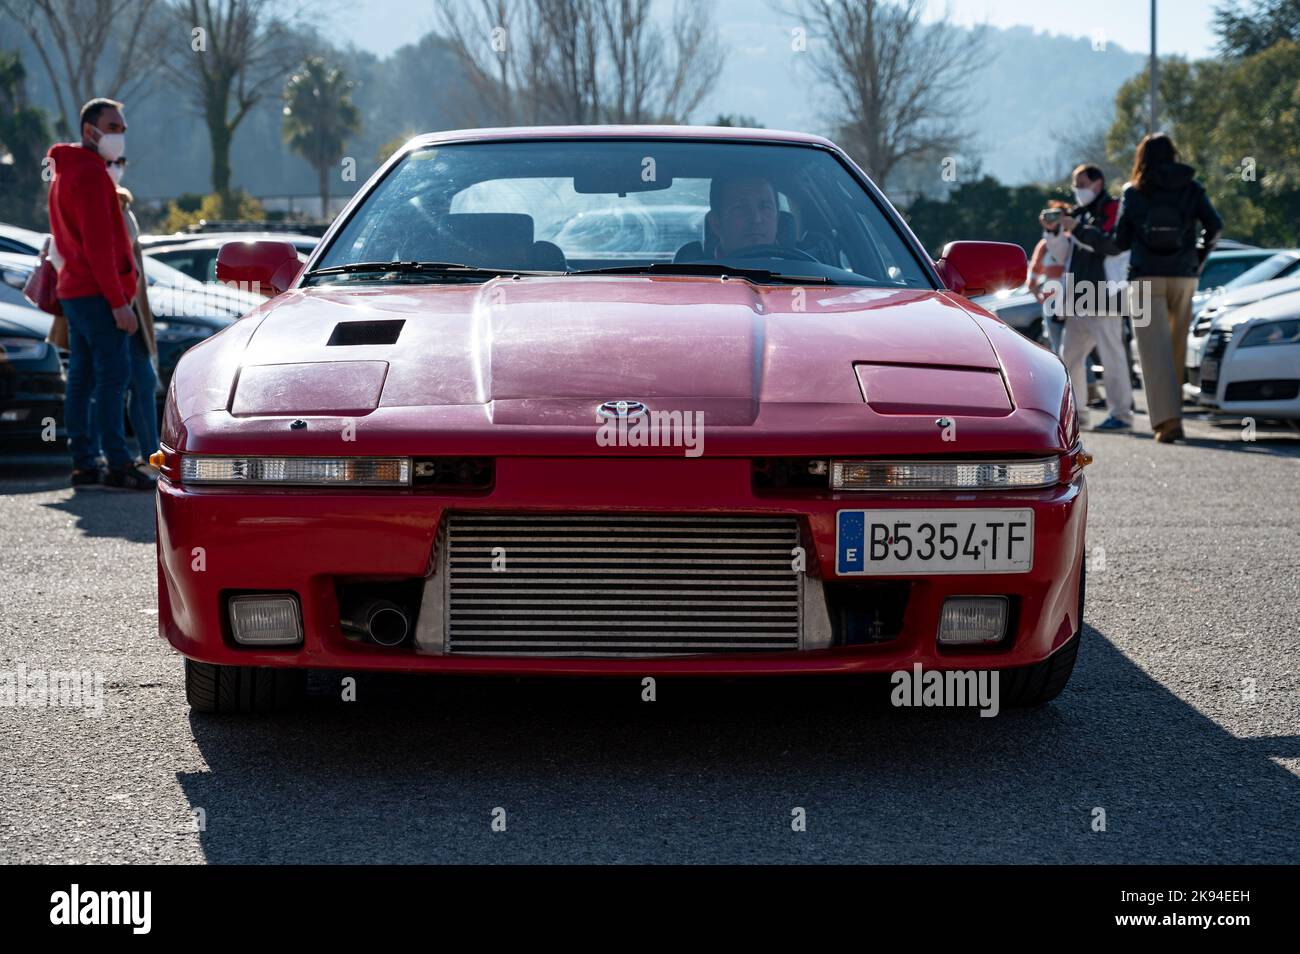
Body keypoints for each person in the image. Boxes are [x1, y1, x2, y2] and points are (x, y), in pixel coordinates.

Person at [46, 97, 154, 490]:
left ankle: (85, 462)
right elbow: (98, 247)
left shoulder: (65, 172)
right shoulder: (90, 175)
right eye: (113, 127)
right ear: (90, 131)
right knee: (113, 378)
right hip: (96, 294)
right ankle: (119, 464)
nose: (120, 135)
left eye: (122, 128)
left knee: (82, 378)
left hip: (75, 292)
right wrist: (118, 303)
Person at [1115, 133, 1223, 443]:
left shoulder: (1134, 192)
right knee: (1176, 350)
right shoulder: (1191, 187)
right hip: (1184, 275)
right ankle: (1176, 417)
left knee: (1153, 353)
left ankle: (1168, 422)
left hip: (1146, 277)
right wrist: (1197, 258)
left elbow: (1121, 241)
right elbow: (1215, 225)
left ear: (1142, 157)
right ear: (1174, 154)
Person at [1057, 163, 1133, 431]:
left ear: (1097, 184)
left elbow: (1111, 244)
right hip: (1079, 296)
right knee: (1069, 357)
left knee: (1112, 356)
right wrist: (1053, 230)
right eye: (1075, 185)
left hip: (1106, 294)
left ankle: (1121, 415)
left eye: (1081, 185)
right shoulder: (1079, 213)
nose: (1077, 190)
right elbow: (1062, 257)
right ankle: (1077, 413)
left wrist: (1077, 228)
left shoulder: (1113, 208)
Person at [1028, 199, 1072, 355]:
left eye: (1059, 217)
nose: (1056, 221)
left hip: (1074, 298)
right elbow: (1033, 273)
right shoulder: (1045, 244)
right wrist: (1038, 295)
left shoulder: (1075, 240)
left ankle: (1087, 378)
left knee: (1074, 347)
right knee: (1058, 346)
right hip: (1051, 300)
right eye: (1052, 216)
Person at [706, 175, 779, 255]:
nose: (756, 219)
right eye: (741, 208)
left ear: (777, 217)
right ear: (716, 223)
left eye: (765, 207)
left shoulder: (794, 265)